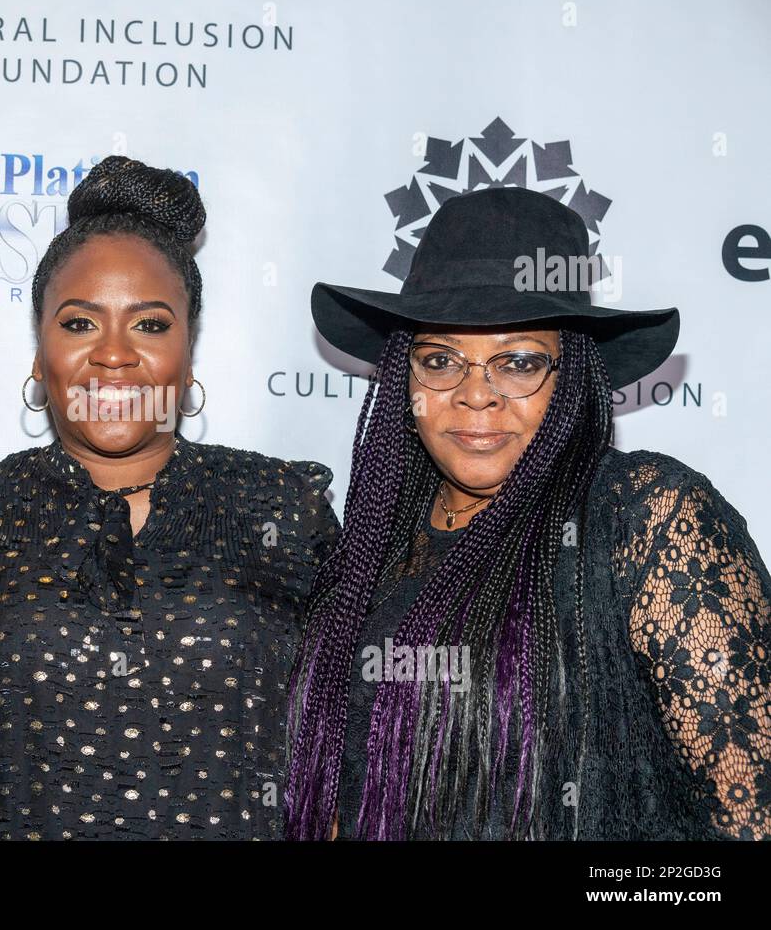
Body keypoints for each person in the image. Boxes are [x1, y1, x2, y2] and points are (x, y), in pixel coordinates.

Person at [288, 186, 771, 841]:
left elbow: (751, 818)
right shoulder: (370, 549)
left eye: (517, 362)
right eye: (439, 360)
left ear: (571, 374)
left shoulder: (643, 518)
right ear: (404, 378)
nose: (476, 396)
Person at [0, 156, 340, 839]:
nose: (115, 354)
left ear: (189, 353)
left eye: (150, 325)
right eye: (79, 324)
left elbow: (348, 745)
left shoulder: (283, 506)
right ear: (39, 356)